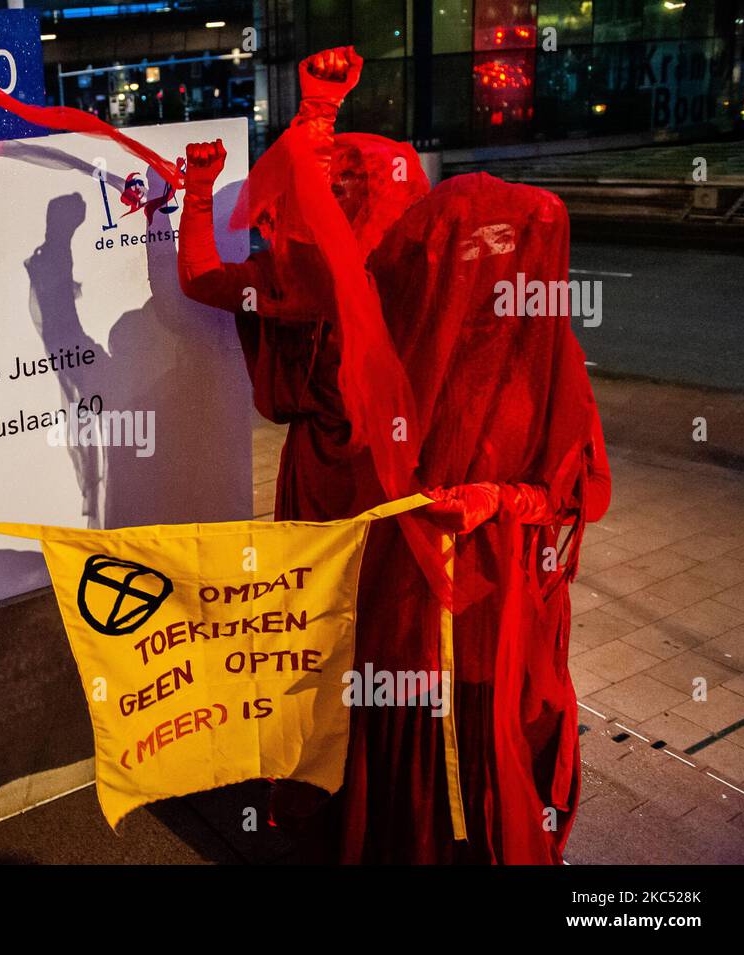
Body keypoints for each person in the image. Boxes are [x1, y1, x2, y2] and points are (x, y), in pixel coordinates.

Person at [178, 47, 610, 862]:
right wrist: (299, 132)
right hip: (359, 524)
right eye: (343, 186)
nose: (484, 268)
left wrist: (495, 501)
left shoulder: (530, 348)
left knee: (441, 700)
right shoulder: (345, 289)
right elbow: (217, 278)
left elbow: (573, 482)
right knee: (369, 673)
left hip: (467, 567)